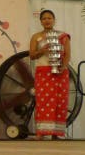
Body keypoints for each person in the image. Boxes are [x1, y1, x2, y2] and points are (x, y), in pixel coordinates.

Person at [29, 9, 71, 139]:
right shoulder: (36, 37)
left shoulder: (63, 36)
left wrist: (62, 68)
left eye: (49, 18)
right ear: (41, 21)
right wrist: (42, 50)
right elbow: (32, 55)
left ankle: (56, 133)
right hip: (43, 72)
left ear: (54, 20)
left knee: (59, 102)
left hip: (59, 73)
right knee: (43, 101)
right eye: (44, 19)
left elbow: (68, 55)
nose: (47, 21)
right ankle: (41, 132)